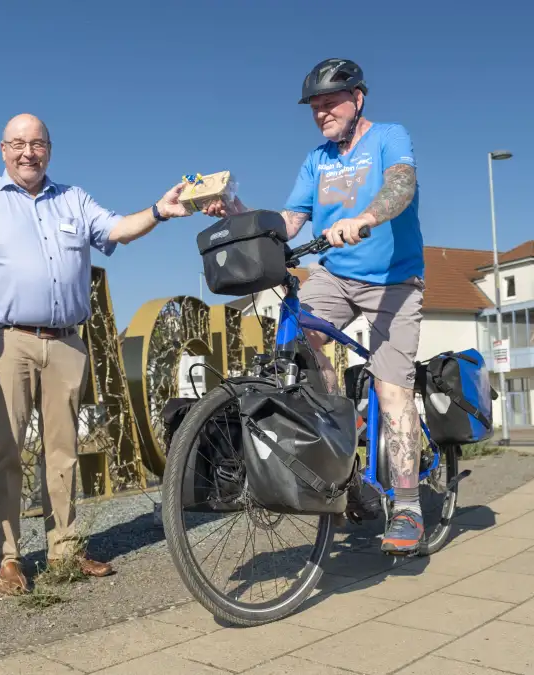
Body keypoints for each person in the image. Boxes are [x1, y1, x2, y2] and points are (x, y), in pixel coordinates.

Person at [0, 113, 200, 594]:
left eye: (36, 143)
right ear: (2, 150)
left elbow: (118, 230)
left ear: (49, 150)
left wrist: (159, 211)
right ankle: (8, 558)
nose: (27, 152)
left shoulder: (74, 200)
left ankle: (65, 548)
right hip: (7, 342)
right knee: (6, 452)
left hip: (66, 344)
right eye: (17, 143)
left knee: (63, 452)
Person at [209, 58, 428, 554]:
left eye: (329, 103)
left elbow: (401, 186)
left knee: (392, 387)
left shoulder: (390, 136)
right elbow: (290, 220)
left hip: (394, 280)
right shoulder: (317, 160)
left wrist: (365, 218)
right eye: (315, 106)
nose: (321, 113)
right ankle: (337, 445)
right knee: (297, 344)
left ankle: (409, 505)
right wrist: (240, 213)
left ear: (358, 98)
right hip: (333, 275)